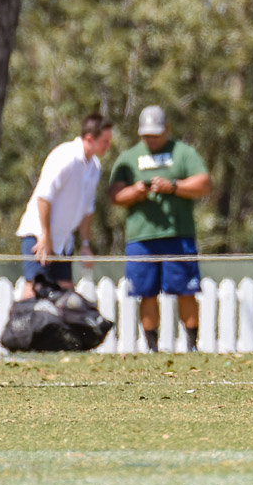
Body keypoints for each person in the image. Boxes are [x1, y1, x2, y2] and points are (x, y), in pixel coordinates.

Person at [108, 105, 211, 353]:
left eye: (156, 134)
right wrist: (135, 192)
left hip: (178, 236)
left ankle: (191, 345)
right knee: (146, 293)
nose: (151, 139)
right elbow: (115, 195)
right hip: (142, 238)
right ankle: (152, 348)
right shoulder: (128, 158)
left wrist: (173, 186)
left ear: (167, 129)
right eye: (146, 135)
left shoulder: (183, 153)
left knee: (186, 291)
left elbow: (204, 184)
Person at [15, 113, 114, 299]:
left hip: (63, 241)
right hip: (38, 235)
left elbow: (88, 209)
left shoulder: (95, 166)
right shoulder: (65, 156)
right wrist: (45, 235)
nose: (108, 146)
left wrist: (85, 244)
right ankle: (18, 328)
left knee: (66, 293)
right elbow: (44, 197)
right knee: (35, 289)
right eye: (105, 141)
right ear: (90, 138)